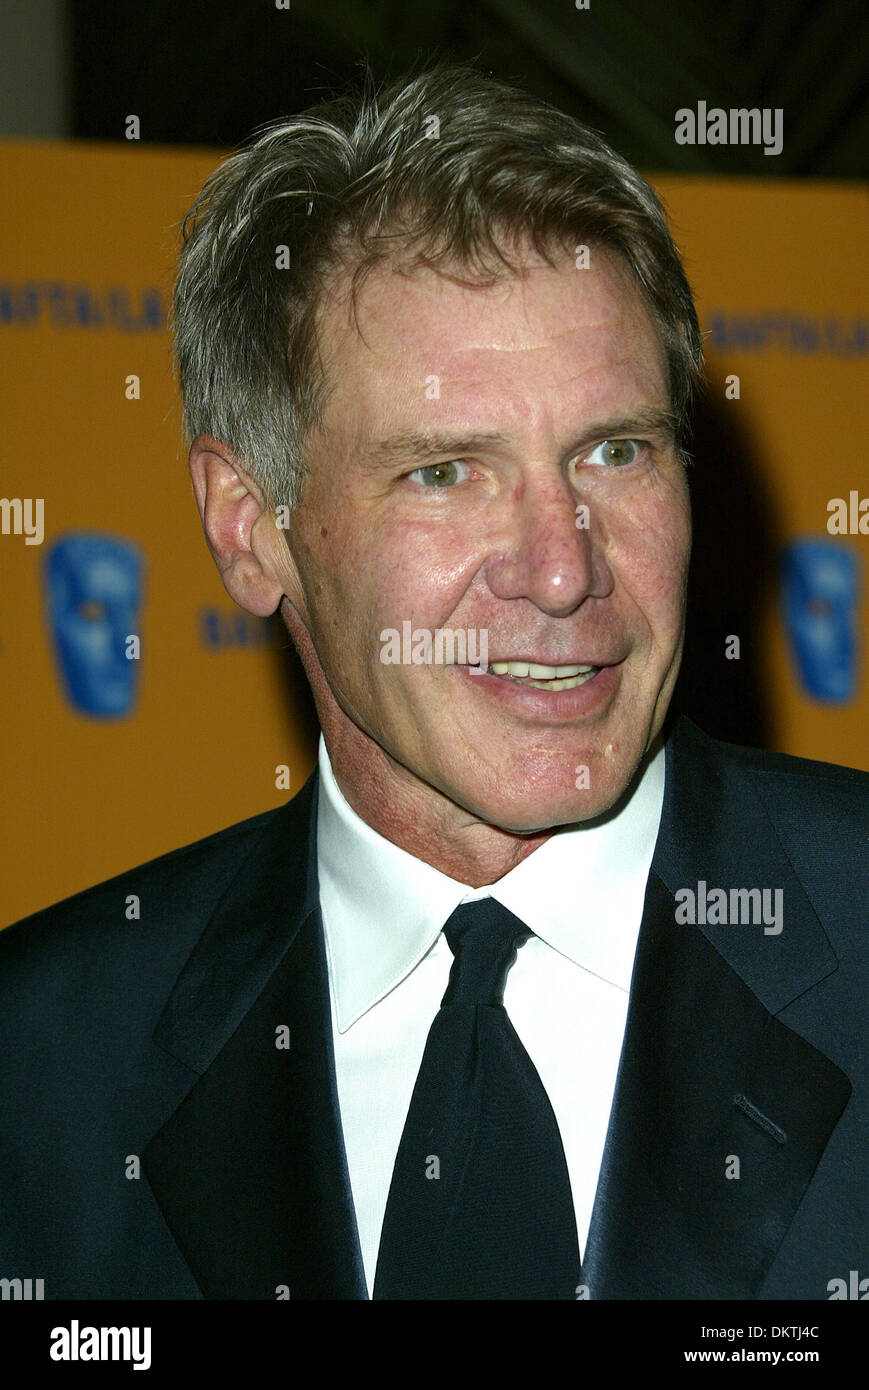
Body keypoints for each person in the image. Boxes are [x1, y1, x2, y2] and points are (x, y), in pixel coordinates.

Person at [1, 63, 866, 1302]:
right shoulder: (40, 1064)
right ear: (250, 526)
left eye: (614, 450)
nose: (563, 571)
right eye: (445, 473)